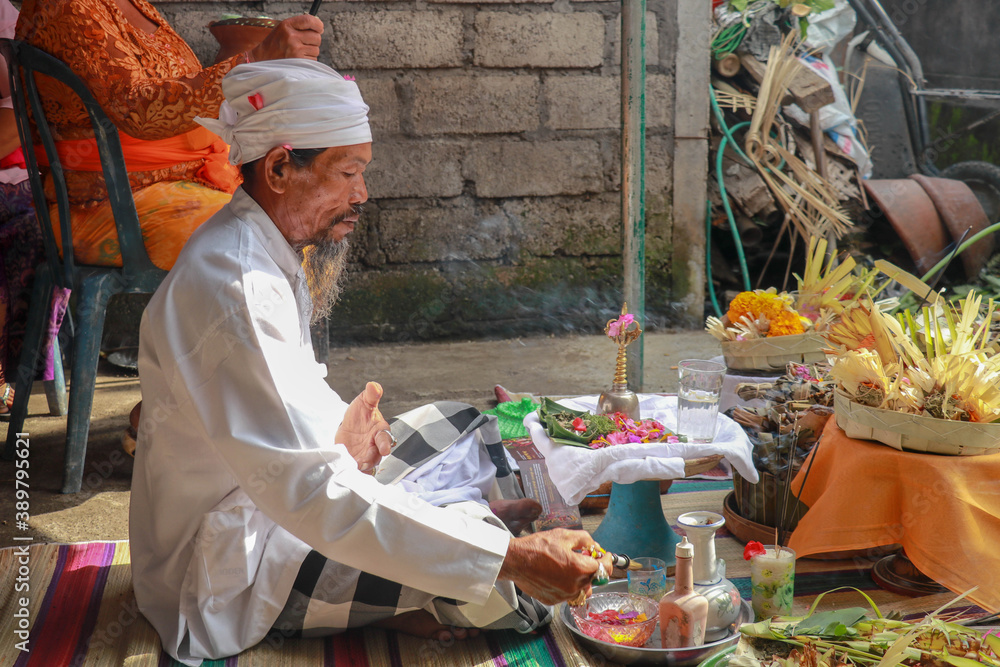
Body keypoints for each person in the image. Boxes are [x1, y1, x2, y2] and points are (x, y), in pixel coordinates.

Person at [130, 59, 612, 666]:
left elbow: (289, 431)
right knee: (517, 598)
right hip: (233, 566)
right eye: (348, 172)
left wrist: (344, 434)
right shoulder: (238, 287)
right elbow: (311, 493)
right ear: (279, 167)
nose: (362, 194)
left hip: (285, 501)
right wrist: (508, 558)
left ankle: (459, 527)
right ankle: (456, 546)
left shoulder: (261, 249)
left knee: (467, 423)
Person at [14, 0, 324, 271]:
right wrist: (253, 60)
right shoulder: (66, 5)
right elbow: (138, 110)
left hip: (180, 184)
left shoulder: (135, 5)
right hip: (103, 205)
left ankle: (263, 339)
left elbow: (183, 95)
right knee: (259, 238)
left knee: (294, 225)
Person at [0, 0, 70, 416]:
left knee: (40, 233)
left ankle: (14, 375)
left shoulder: (11, 20)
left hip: (20, 183)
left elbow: (16, 112)